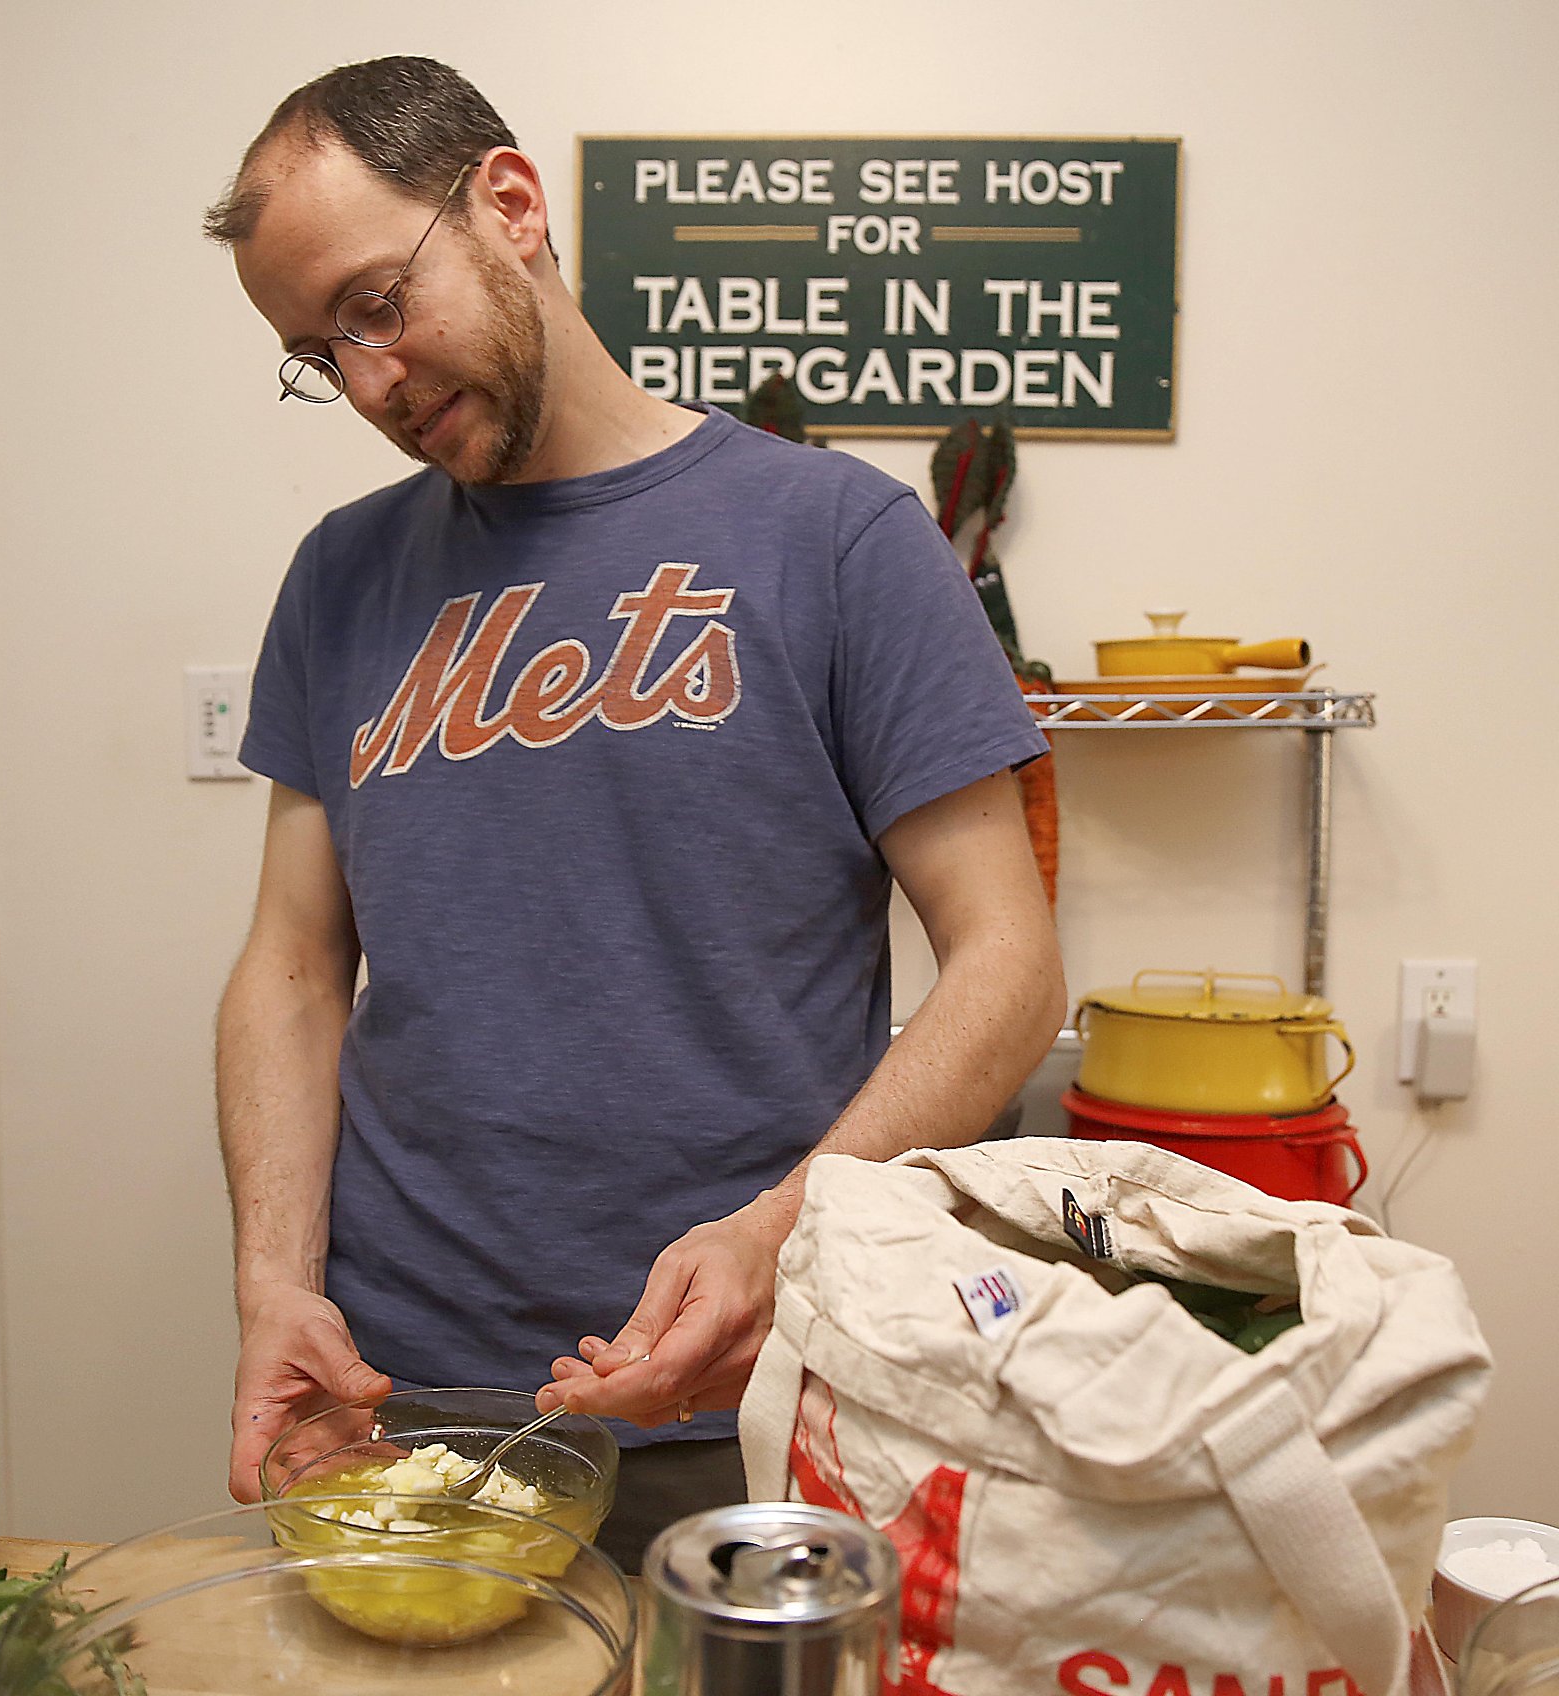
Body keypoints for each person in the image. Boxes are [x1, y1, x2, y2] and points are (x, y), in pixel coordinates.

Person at [205, 58, 1066, 1570]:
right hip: (405, 1398)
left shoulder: (840, 539)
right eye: (314, 352)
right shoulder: (340, 576)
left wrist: (779, 1234)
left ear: (511, 207)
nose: (367, 385)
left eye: (375, 305)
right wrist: (275, 1284)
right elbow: (288, 967)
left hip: (756, 1385)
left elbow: (1006, 962)